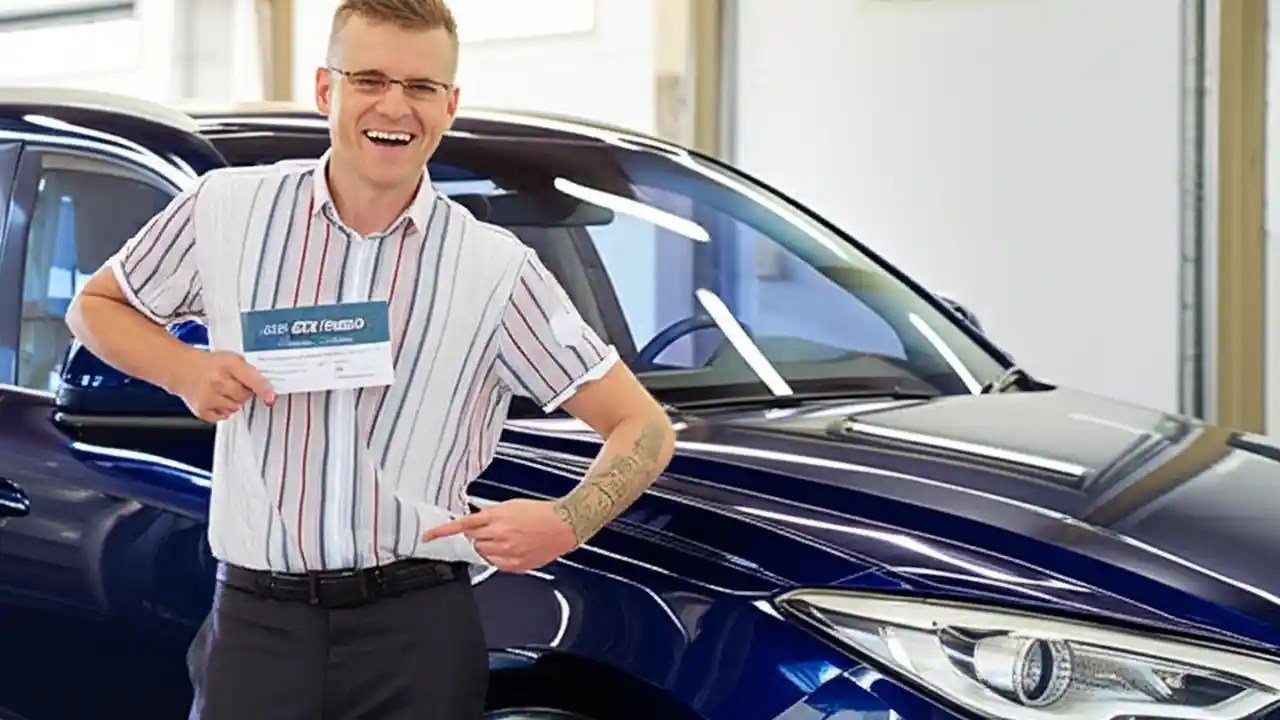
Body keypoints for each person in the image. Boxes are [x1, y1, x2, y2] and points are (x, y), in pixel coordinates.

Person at [63, 0, 676, 718]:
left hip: (415, 628)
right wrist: (185, 370)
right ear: (327, 90)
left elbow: (644, 427)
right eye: (370, 79)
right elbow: (96, 307)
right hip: (261, 624)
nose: (395, 106)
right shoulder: (225, 211)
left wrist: (569, 520)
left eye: (421, 88)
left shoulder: (494, 270)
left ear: (449, 105)